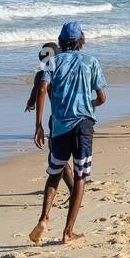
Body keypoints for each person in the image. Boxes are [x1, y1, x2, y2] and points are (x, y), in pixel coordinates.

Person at [29, 22, 106, 246]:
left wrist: (38, 125)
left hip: (59, 126)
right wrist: (89, 105)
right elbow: (102, 97)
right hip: (83, 126)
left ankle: (44, 218)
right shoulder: (91, 62)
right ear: (81, 39)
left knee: (55, 173)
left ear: (61, 41)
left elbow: (42, 89)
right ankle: (67, 232)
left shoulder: (51, 61)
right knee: (81, 177)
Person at [25, 42, 74, 194]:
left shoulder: (42, 74)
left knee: (57, 157)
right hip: (79, 117)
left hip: (59, 120)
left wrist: (31, 103)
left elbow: (37, 90)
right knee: (67, 157)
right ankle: (73, 187)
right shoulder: (70, 69)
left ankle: (74, 191)